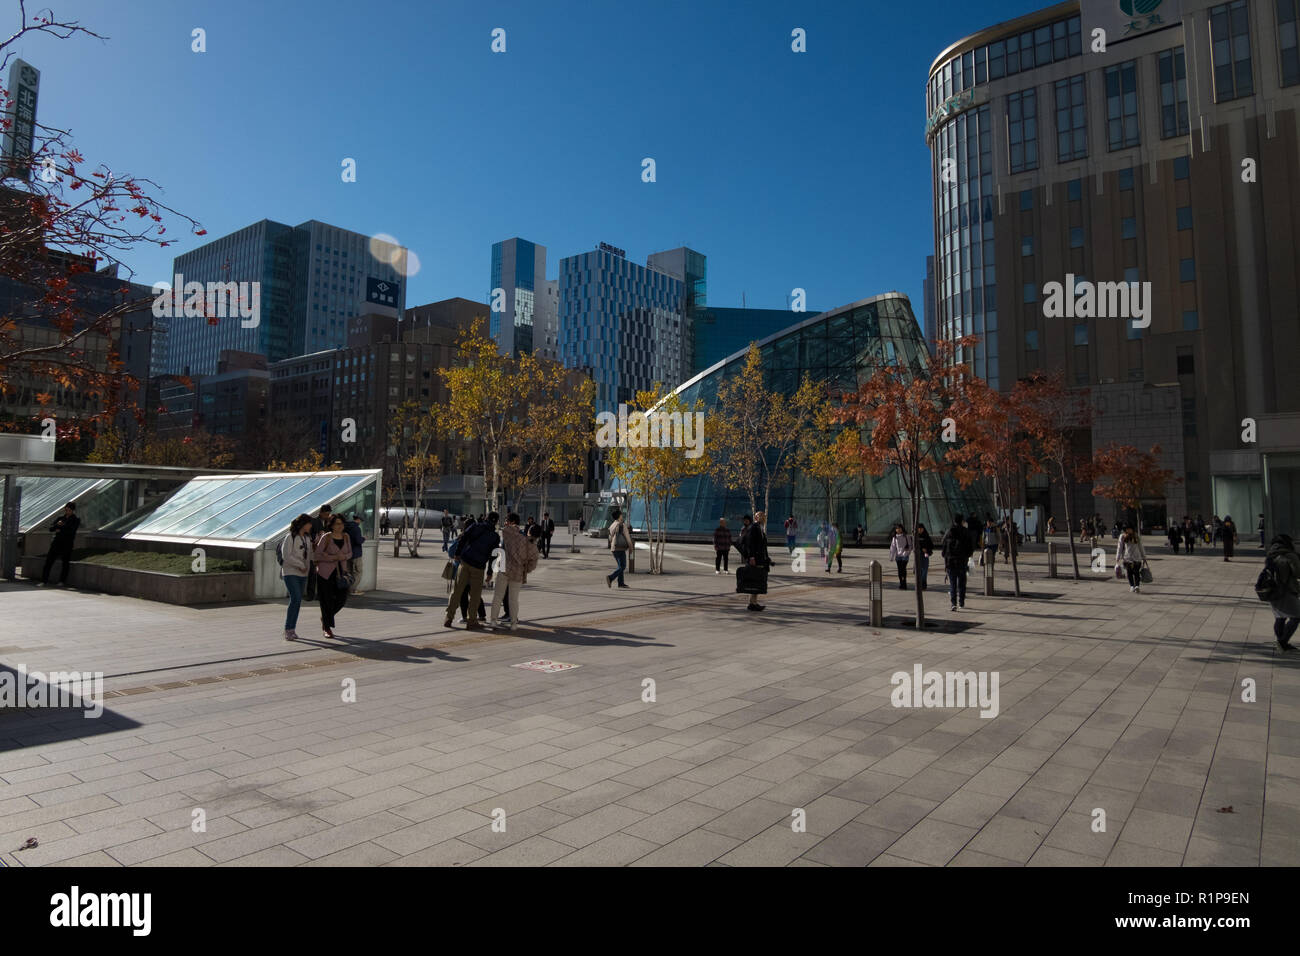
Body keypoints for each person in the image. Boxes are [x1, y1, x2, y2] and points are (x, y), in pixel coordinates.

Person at [445, 512, 499, 629]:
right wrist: (490, 573)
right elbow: (493, 556)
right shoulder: (495, 537)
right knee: (475, 595)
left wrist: (458, 553)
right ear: (496, 522)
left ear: (486, 518)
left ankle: (449, 617)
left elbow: (463, 537)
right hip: (479, 567)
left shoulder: (475, 526)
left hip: (465, 562)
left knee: (457, 590)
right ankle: (472, 621)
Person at [490, 513, 539, 630]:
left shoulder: (509, 534)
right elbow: (533, 563)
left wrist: (512, 526)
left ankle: (493, 621)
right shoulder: (530, 544)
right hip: (518, 572)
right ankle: (513, 624)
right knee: (513, 599)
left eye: (507, 520)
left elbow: (506, 528)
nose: (505, 522)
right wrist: (525, 569)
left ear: (511, 522)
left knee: (497, 596)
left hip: (504, 569)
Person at [313, 514, 353, 638]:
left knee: (341, 599)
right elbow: (317, 556)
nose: (340, 526)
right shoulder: (326, 537)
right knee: (326, 601)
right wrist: (334, 557)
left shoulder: (346, 537)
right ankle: (327, 627)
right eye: (337, 523)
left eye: (341, 523)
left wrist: (344, 557)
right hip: (325, 573)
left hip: (341, 573)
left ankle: (325, 617)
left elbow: (350, 553)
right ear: (331, 525)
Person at [278, 514, 314, 641]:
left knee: (297, 602)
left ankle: (292, 629)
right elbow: (286, 555)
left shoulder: (307, 538)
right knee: (296, 598)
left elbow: (310, 555)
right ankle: (288, 629)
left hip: (303, 573)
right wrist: (300, 565)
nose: (311, 526)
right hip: (290, 572)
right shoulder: (290, 537)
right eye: (309, 523)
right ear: (303, 524)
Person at [1265, 534, 1300, 650]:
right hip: (1287, 590)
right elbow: (1297, 573)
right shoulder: (1289, 555)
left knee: (1280, 617)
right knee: (1296, 616)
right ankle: (1282, 641)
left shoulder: (1271, 554)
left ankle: (1281, 643)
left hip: (1272, 589)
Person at [38, 501, 80, 588]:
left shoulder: (75, 520)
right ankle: (44, 581)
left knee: (65, 563)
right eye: (66, 510)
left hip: (67, 544)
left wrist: (60, 528)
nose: (67, 512)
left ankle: (62, 581)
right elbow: (51, 528)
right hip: (56, 543)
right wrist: (58, 525)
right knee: (49, 561)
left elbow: (71, 531)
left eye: (69, 510)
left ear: (72, 510)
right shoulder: (61, 518)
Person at [739, 511, 772, 611]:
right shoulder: (754, 527)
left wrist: (767, 558)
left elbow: (762, 545)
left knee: (757, 580)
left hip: (760, 558)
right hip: (755, 559)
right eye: (758, 516)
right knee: (755, 580)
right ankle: (752, 603)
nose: (760, 517)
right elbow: (750, 543)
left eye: (762, 516)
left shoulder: (760, 528)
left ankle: (753, 602)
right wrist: (752, 557)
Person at [940, 515, 973, 611]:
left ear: (954, 521)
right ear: (962, 521)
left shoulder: (949, 531)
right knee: (962, 583)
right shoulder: (966, 532)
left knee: (953, 584)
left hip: (951, 562)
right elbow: (970, 547)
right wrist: (967, 555)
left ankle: (953, 603)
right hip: (962, 561)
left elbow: (944, 545)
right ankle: (961, 602)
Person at [304, 504, 333, 601]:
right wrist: (315, 538)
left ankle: (320, 594)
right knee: (312, 574)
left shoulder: (329, 523)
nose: (327, 516)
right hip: (314, 551)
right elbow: (309, 534)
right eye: (325, 514)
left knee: (322, 575)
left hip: (325, 553)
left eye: (328, 514)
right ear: (321, 513)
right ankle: (310, 594)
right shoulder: (314, 521)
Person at [605, 508, 633, 589]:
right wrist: (631, 547)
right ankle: (610, 578)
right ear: (619, 516)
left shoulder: (612, 525)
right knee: (623, 566)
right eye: (621, 514)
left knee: (620, 566)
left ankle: (620, 583)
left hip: (614, 548)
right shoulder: (622, 525)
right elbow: (627, 538)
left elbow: (610, 537)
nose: (622, 515)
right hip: (620, 548)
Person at [1115, 525, 1147, 593]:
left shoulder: (1136, 536)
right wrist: (1117, 557)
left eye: (1130, 529)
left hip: (1137, 557)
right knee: (1129, 573)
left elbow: (1140, 546)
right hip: (1127, 558)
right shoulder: (1123, 536)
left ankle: (1137, 586)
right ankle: (1132, 586)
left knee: (1136, 572)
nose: (1129, 530)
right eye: (1127, 529)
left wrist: (1144, 557)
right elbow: (1119, 547)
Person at [343, 513, 365, 593]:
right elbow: (358, 541)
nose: (360, 522)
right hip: (356, 553)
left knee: (349, 571)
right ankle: (352, 589)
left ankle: (347, 587)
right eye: (361, 521)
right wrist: (363, 538)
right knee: (358, 571)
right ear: (358, 520)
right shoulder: (357, 528)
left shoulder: (346, 527)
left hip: (347, 553)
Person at [888, 523, 912, 589]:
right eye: (897, 528)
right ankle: (901, 583)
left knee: (903, 569)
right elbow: (893, 547)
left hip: (905, 556)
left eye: (899, 528)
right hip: (898, 556)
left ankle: (904, 583)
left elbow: (910, 546)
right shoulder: (895, 537)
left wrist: (906, 553)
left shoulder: (906, 536)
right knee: (899, 570)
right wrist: (892, 556)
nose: (898, 529)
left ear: (902, 528)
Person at [915, 523, 933, 591]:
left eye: (921, 528)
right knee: (918, 570)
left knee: (924, 570)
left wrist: (926, 549)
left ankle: (924, 585)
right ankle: (919, 585)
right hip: (918, 555)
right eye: (918, 528)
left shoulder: (926, 536)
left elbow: (931, 546)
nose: (920, 530)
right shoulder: (915, 536)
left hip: (925, 555)